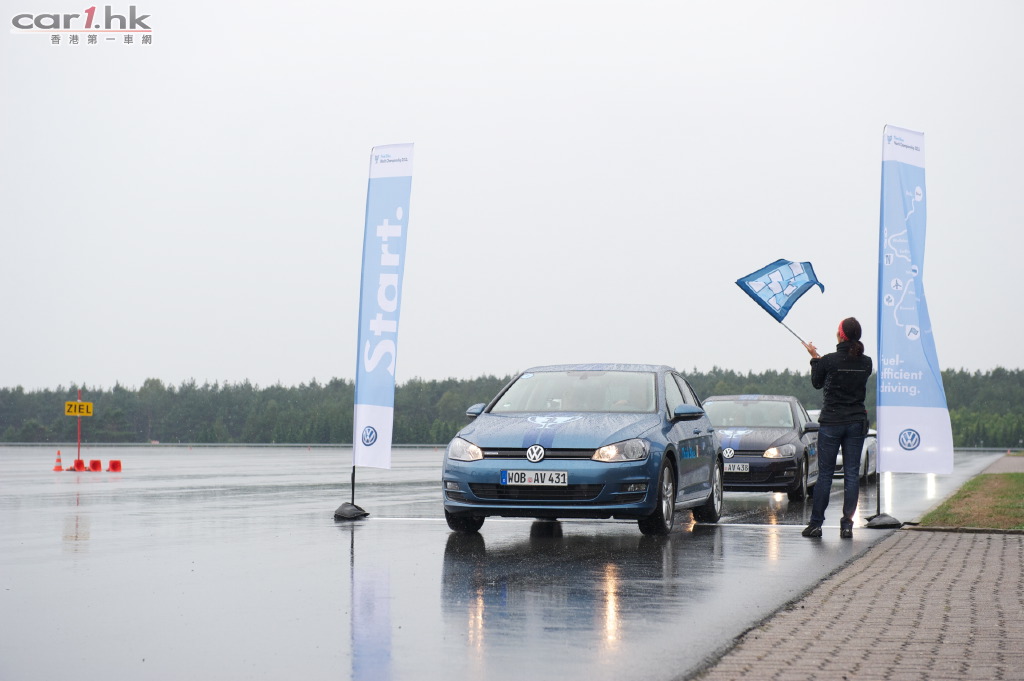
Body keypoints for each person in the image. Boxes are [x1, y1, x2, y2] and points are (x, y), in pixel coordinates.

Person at [800, 317, 873, 539]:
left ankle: (816, 525)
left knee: (826, 475)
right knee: (851, 474)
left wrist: (815, 360)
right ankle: (847, 525)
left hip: (832, 422)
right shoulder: (866, 362)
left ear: (841, 335)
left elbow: (817, 382)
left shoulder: (829, 361)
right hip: (855, 422)